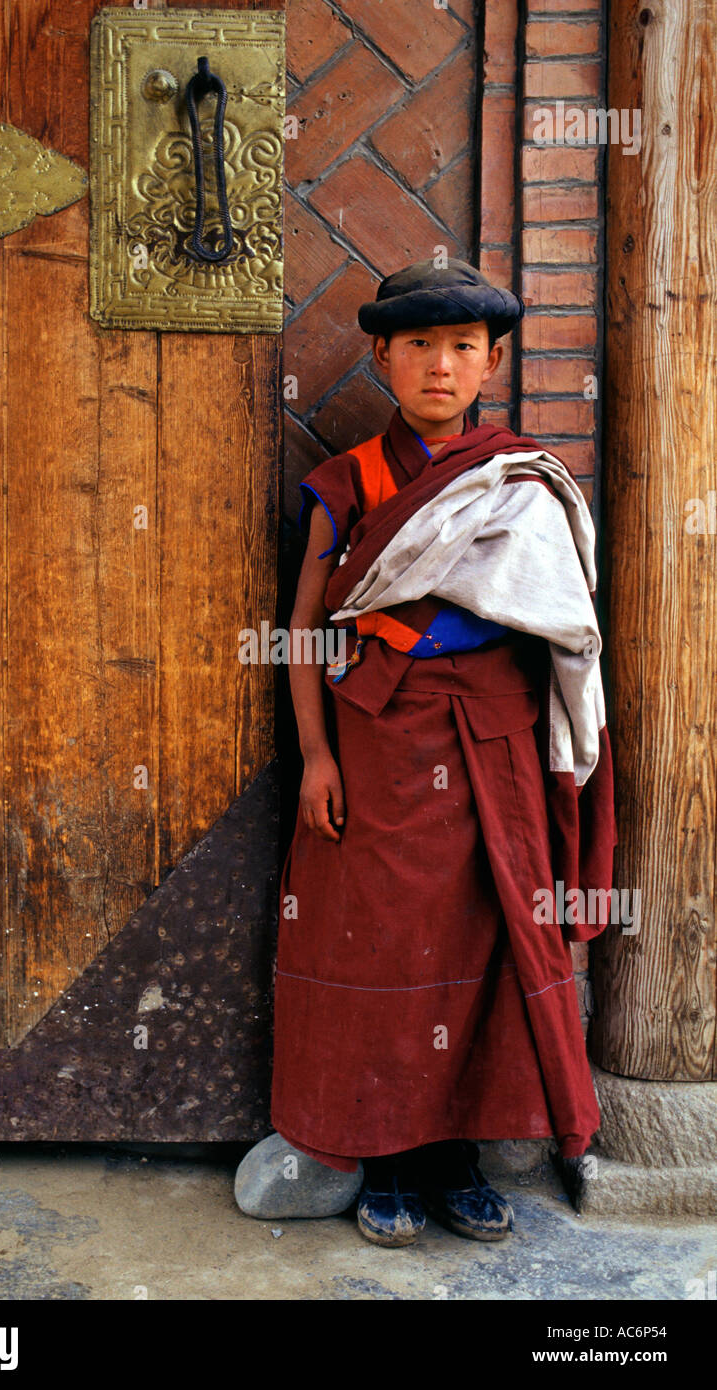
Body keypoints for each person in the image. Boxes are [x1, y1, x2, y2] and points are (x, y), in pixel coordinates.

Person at [269, 258, 617, 1247]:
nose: (439, 365)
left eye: (462, 347)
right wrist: (316, 759)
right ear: (380, 355)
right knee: (384, 946)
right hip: (380, 737)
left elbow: (561, 629)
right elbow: (304, 629)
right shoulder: (346, 485)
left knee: (482, 937)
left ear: (492, 363)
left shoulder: (521, 481)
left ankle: (459, 1159)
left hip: (496, 741)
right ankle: (385, 1159)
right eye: (417, 344)